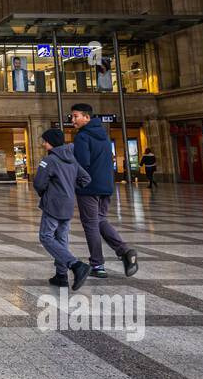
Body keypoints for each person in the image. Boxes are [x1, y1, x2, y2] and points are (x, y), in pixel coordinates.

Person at [69, 103, 139, 279]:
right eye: (72, 116)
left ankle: (97, 264)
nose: (73, 120)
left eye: (76, 116)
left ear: (87, 117)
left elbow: (82, 164)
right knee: (99, 219)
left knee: (90, 224)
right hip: (106, 186)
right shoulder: (103, 135)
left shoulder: (82, 137)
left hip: (89, 187)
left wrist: (72, 180)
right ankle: (124, 250)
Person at [34, 129, 92, 290]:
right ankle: (61, 275)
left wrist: (46, 193)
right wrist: (70, 188)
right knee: (61, 238)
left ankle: (76, 265)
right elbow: (86, 178)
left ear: (51, 142)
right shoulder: (71, 159)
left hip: (53, 204)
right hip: (68, 204)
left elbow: (39, 183)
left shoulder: (49, 160)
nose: (43, 143)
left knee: (46, 236)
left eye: (45, 141)